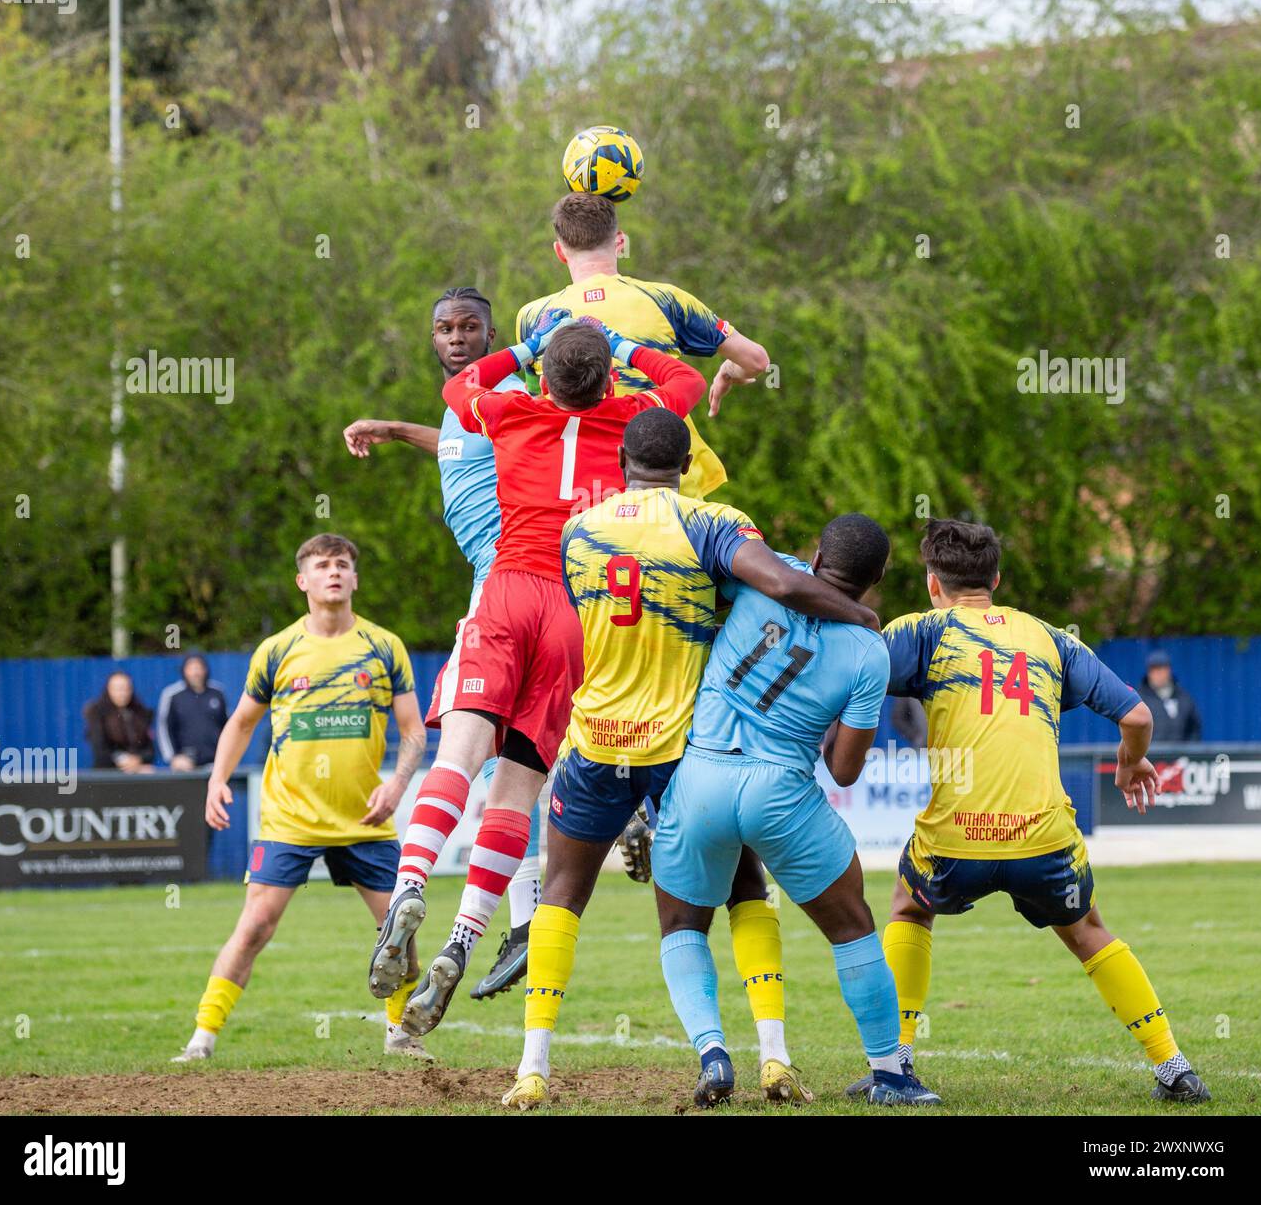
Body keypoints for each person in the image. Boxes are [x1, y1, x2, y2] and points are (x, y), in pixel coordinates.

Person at [502, 409, 880, 1110]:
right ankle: (774, 1058)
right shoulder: (711, 523)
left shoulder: (576, 531)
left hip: (597, 740)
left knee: (561, 894)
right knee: (741, 889)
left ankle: (532, 1069)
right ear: (686, 462)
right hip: (684, 750)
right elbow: (788, 587)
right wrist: (861, 618)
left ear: (622, 460)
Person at [372, 316, 708, 1038]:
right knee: (517, 787)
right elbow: (687, 382)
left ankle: (410, 887)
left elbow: (459, 387)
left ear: (546, 377)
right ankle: (463, 938)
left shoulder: (512, 409)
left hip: (506, 586)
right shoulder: (628, 419)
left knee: (457, 757)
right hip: (572, 606)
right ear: (605, 379)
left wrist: (525, 350)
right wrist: (623, 347)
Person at [850, 518, 1210, 1104]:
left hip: (955, 840)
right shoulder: (1050, 638)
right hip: (1041, 837)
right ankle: (1174, 1067)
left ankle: (898, 1064)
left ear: (931, 583)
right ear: (996, 578)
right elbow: (1138, 717)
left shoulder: (918, 631)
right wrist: (1129, 763)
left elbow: (850, 679)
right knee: (1088, 932)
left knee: (909, 910)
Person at [649, 513, 940, 1108]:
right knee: (853, 926)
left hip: (701, 774)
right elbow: (843, 770)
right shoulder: (868, 651)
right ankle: (890, 1075)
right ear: (879, 575)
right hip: (780, 789)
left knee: (683, 926)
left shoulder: (762, 574)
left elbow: (700, 584)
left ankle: (713, 1054)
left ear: (816, 549)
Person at [343, 287, 543, 1001]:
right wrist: (398, 430)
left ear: (492, 334)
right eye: (443, 328)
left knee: (472, 757)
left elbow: (521, 444)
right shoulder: (472, 403)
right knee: (513, 767)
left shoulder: (507, 389)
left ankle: (422, 890)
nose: (456, 337)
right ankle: (520, 927)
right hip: (524, 589)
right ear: (432, 337)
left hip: (502, 587)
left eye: (469, 328)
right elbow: (462, 442)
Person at [171, 534, 430, 1064]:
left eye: (342, 564)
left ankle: (400, 1036)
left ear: (355, 579)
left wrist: (398, 783)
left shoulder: (384, 646)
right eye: (321, 565)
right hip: (290, 818)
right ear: (303, 581)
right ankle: (202, 1039)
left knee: (400, 931)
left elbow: (414, 730)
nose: (333, 572)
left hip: (365, 818)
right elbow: (241, 723)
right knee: (255, 927)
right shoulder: (278, 650)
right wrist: (217, 778)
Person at [516, 192, 771, 499]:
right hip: (670, 488)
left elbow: (536, 402)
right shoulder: (666, 300)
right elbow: (757, 360)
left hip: (584, 492)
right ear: (619, 241)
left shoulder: (533, 318)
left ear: (559, 251)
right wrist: (729, 371)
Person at [155, 652, 229, 770]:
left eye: (198, 668)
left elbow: (229, 727)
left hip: (214, 764)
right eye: (191, 668)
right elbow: (163, 728)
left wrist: (226, 756)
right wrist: (173, 757)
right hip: (184, 765)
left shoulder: (218, 692)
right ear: (184, 671)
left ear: (205, 670)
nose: (195, 672)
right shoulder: (172, 695)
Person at [83, 672, 156, 773]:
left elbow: (150, 750)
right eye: (118, 688)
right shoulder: (97, 713)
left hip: (137, 774)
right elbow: (100, 750)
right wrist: (125, 761)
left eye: (127, 688)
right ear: (108, 689)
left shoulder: (140, 713)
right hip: (108, 775)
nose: (123, 693)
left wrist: (139, 760)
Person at [1137, 649, 1203, 743]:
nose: (1158, 674)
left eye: (1161, 669)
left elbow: (1194, 729)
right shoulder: (1139, 699)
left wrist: (1186, 755)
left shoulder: (1184, 698)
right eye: (1154, 670)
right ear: (1149, 673)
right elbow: (1132, 730)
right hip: (1150, 755)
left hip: (1180, 755)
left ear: (1169, 671)